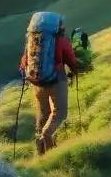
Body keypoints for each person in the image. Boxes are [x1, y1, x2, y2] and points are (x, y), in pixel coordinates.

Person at [20, 11, 77, 156]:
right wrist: (74, 70)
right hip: (57, 81)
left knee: (43, 114)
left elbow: (24, 63)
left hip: (37, 83)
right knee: (59, 114)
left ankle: (41, 152)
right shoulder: (60, 40)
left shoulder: (32, 40)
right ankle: (48, 139)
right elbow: (71, 60)